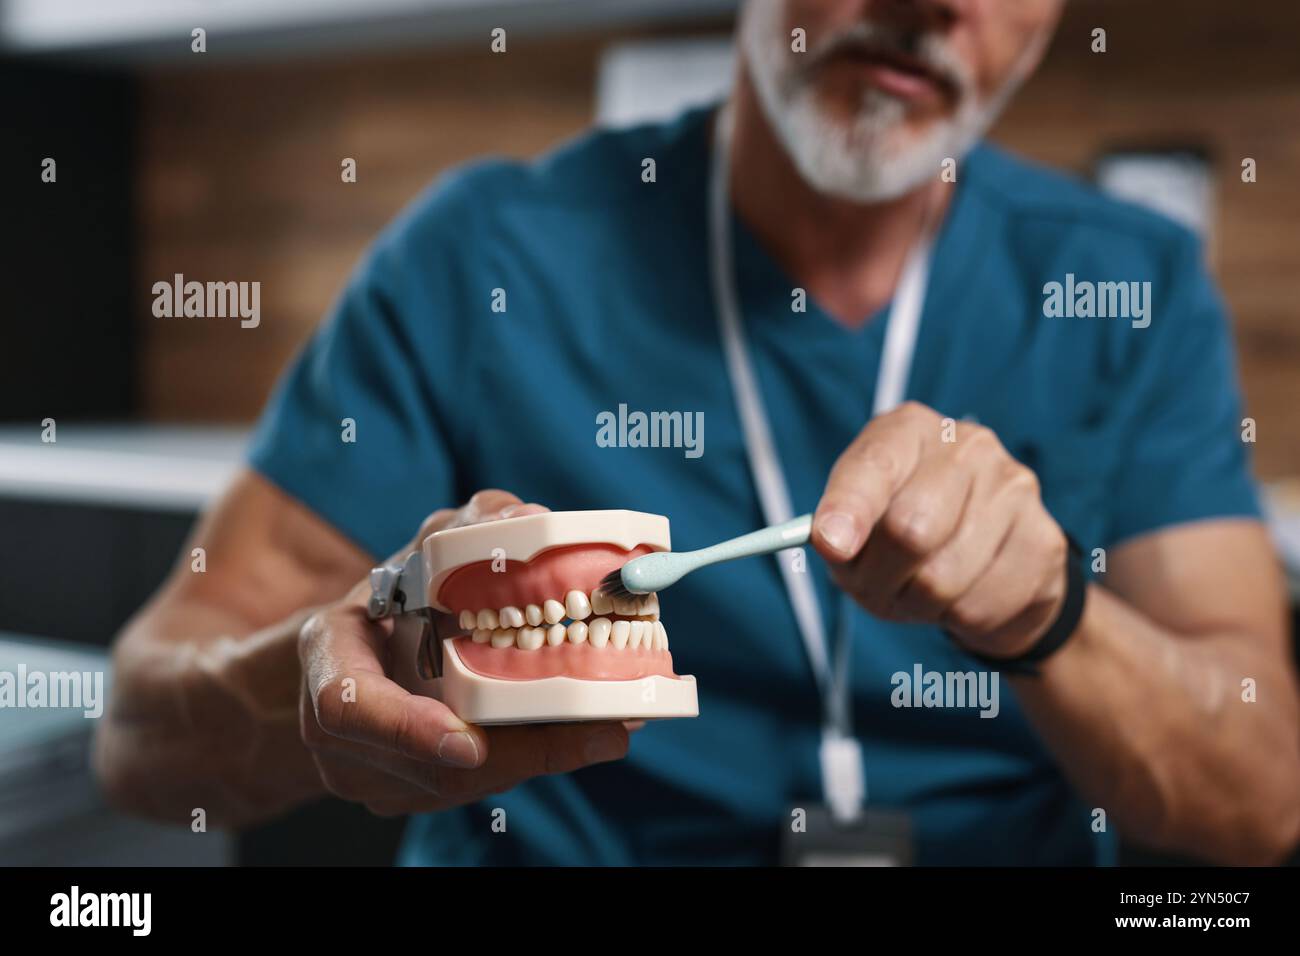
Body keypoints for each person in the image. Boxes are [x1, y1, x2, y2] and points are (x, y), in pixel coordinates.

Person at [95, 0, 1300, 865]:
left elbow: (1261, 795)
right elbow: (139, 734)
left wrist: (1054, 616)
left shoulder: (1130, 286)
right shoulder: (482, 256)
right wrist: (315, 691)